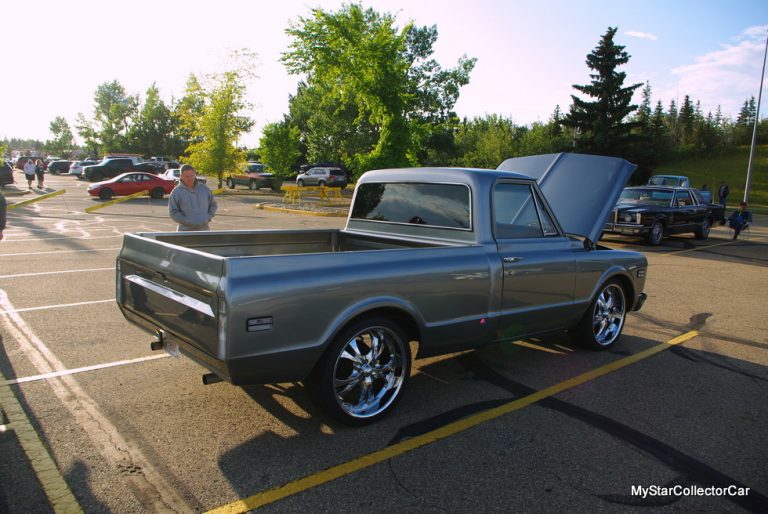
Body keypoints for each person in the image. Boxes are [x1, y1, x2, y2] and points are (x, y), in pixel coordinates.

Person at [168, 164, 217, 231]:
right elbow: (173, 212)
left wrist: (208, 217)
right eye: (187, 176)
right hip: (184, 233)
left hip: (204, 231)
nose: (190, 179)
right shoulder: (176, 192)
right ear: (181, 176)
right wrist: (186, 221)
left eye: (192, 176)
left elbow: (213, 204)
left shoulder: (204, 189)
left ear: (195, 174)